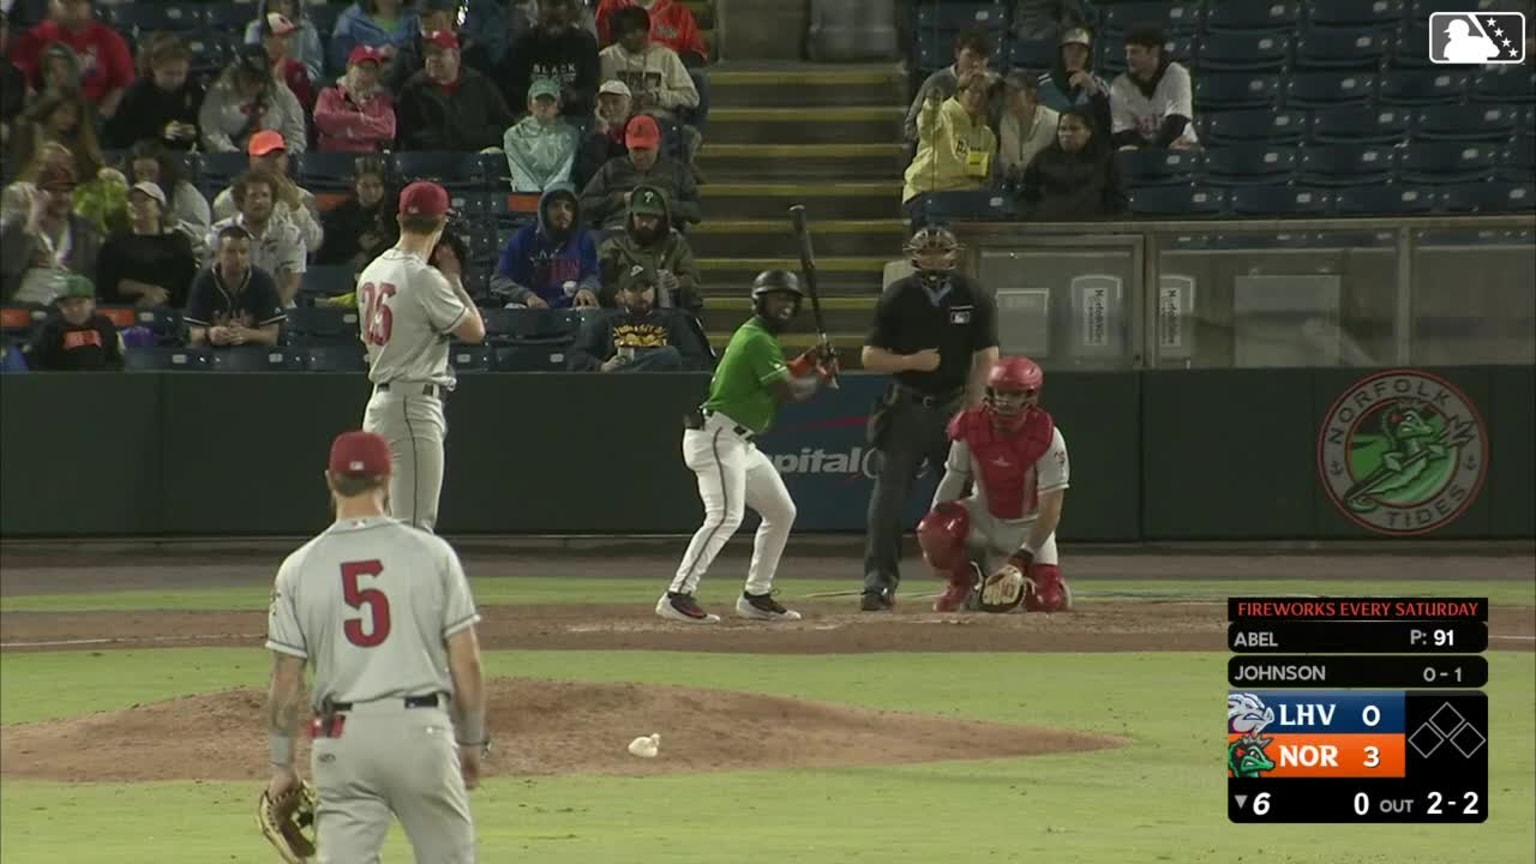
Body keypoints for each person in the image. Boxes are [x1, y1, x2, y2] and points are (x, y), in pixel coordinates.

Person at [262, 429, 485, 864]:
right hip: (420, 731)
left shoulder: (298, 568)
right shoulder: (432, 554)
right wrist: (472, 743)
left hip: (339, 738)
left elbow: (286, 679)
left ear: (330, 480)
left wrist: (282, 767)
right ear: (388, 478)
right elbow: (467, 661)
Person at [657, 269, 838, 624]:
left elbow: (780, 376)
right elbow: (788, 391)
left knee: (781, 512)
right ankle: (677, 594)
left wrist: (807, 362)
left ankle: (756, 596)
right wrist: (821, 375)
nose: (784, 305)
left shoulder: (761, 338)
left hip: (739, 443)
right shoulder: (756, 338)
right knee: (725, 515)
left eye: (789, 299)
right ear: (758, 302)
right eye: (776, 298)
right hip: (717, 437)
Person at [859, 226, 999, 612]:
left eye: (941, 252)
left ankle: (973, 580)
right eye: (928, 252)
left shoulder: (973, 295)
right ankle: (878, 584)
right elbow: (869, 356)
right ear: (914, 255)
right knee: (888, 501)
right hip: (905, 406)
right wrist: (911, 362)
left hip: (953, 406)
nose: (934, 259)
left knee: (966, 501)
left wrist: (973, 408)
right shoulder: (898, 296)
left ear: (954, 255)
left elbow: (988, 355)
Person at [357, 180, 487, 533]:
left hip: (379, 405)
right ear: (441, 222)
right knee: (413, 529)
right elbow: (475, 331)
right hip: (412, 405)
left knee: (381, 525)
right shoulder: (424, 278)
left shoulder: (372, 270)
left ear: (400, 218)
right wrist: (455, 282)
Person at [915, 356, 1072, 614]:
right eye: (1001, 392)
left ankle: (1048, 582)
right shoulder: (969, 427)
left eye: (1014, 394)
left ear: (1030, 396)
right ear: (991, 392)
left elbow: (1051, 509)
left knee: (1047, 602)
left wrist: (1023, 556)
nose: (1005, 400)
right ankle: (963, 584)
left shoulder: (1048, 437)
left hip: (1029, 525)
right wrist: (934, 540)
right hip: (984, 517)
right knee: (934, 529)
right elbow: (953, 478)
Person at [567, 264, 706, 372]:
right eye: (634, 289)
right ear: (621, 295)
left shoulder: (673, 320)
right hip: (617, 388)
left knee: (669, 355)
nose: (641, 295)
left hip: (662, 386)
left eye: (646, 288)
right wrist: (602, 366)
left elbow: (695, 359)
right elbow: (576, 358)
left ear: (654, 290)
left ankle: (623, 370)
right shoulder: (606, 321)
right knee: (668, 355)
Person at [902, 69, 999, 224]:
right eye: (973, 91)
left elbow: (981, 177)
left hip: (965, 200)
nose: (978, 98)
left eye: (983, 94)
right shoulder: (943, 115)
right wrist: (931, 106)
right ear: (960, 92)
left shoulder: (987, 136)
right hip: (926, 195)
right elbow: (927, 127)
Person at [8, 0, 133, 118]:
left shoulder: (110, 40)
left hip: (93, 116)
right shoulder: (39, 35)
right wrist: (35, 111)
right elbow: (20, 79)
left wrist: (101, 117)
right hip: (48, 115)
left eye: (77, 3)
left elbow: (121, 85)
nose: (71, 7)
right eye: (65, 3)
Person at [395, 30, 514, 152]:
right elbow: (406, 135)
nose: (433, 59)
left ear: (456, 57)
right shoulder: (413, 89)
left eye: (439, 53)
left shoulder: (480, 84)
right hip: (431, 159)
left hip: (476, 156)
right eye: (429, 54)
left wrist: (472, 138)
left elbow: (505, 127)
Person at [489, 181, 600, 308]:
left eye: (568, 207)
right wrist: (526, 296)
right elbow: (498, 280)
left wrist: (587, 288)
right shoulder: (524, 237)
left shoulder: (583, 239)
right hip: (531, 311)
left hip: (572, 310)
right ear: (544, 210)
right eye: (555, 206)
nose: (562, 212)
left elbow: (593, 275)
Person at [94, 181, 198, 308]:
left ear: (159, 209)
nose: (136, 204)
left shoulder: (177, 241)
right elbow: (106, 281)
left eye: (144, 200)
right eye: (132, 200)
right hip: (124, 309)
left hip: (170, 308)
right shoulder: (115, 241)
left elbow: (186, 280)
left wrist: (159, 297)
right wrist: (145, 289)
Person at [596, 182, 699, 310]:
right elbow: (600, 281)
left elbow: (693, 281)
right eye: (640, 216)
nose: (644, 224)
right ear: (630, 216)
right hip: (622, 316)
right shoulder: (614, 246)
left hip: (667, 315)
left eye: (651, 218)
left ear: (662, 219)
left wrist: (679, 282)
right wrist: (615, 294)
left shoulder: (676, 245)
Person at [185, 225, 287, 347]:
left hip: (254, 351)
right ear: (218, 254)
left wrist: (247, 334)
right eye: (230, 252)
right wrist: (210, 333)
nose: (238, 258)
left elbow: (272, 337)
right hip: (213, 350)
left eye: (243, 252)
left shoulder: (262, 280)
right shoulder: (204, 281)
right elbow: (194, 333)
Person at [1018, 108, 1127, 220]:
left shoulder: (1106, 159)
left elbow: (1117, 200)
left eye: (1074, 129)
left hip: (1092, 226)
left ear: (1089, 132)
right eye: (1062, 129)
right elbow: (1026, 196)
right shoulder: (1042, 159)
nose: (1067, 134)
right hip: (1047, 225)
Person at [199, 44, 308, 155]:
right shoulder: (219, 93)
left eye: (260, 79)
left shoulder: (282, 95)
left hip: (273, 159)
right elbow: (210, 131)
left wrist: (284, 155)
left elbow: (296, 133)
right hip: (231, 158)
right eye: (249, 78)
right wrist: (232, 154)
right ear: (239, 72)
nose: (254, 84)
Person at [103, 33, 204, 151]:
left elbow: (203, 125)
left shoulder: (193, 89)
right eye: (169, 73)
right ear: (154, 68)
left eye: (180, 73)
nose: (175, 79)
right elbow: (122, 133)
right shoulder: (138, 92)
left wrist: (193, 133)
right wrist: (160, 132)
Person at [500, 0, 600, 119]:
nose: (553, 13)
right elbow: (511, 91)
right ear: (539, 9)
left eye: (557, 5)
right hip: (532, 117)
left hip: (574, 117)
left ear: (570, 11)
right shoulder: (523, 44)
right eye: (549, 6)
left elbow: (592, 90)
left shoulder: (584, 42)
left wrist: (573, 97)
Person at [1109, 25, 1196, 151]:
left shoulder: (1177, 74)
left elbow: (1177, 121)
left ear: (1154, 51)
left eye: (1135, 52)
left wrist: (1153, 152)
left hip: (1178, 145)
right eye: (1126, 52)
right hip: (1142, 151)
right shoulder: (1119, 84)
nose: (1128, 58)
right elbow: (1123, 132)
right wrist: (1149, 153)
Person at [903, 28, 996, 146]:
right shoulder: (936, 83)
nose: (975, 63)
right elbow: (910, 127)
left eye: (981, 59)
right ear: (957, 54)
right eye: (970, 56)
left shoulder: (993, 86)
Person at [24, 272, 124, 370]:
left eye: (80, 302)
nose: (74, 309)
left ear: (92, 303)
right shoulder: (50, 327)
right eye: (66, 304)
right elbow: (35, 361)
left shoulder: (103, 324)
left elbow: (115, 359)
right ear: (59, 306)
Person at [316, 156, 398, 268]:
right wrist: (356, 247)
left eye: (376, 185)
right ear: (356, 186)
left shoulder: (394, 211)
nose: (372, 191)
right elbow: (328, 252)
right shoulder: (341, 214)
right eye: (365, 186)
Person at [314, 45, 397, 153]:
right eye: (360, 67)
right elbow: (323, 121)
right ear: (349, 67)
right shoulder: (329, 94)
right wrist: (360, 119)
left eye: (370, 69)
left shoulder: (382, 99)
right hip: (333, 157)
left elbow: (388, 129)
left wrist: (344, 128)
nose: (365, 74)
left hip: (368, 158)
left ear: (377, 74)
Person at [502, 77, 579, 193]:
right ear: (529, 105)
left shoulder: (570, 135)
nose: (543, 107)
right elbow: (520, 172)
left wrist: (549, 195)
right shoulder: (514, 135)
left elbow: (563, 171)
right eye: (539, 101)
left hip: (557, 194)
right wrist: (533, 194)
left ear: (558, 106)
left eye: (549, 102)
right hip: (525, 195)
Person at [1035, 28, 1112, 142]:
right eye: (1070, 49)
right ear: (1061, 53)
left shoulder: (1100, 86)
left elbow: (1107, 125)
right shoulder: (1043, 85)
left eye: (1081, 50)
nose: (1075, 55)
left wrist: (1092, 90)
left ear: (1088, 55)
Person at [997, 72, 1058, 187]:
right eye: (1006, 94)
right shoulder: (1005, 120)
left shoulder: (1053, 122)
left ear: (1031, 94)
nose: (1008, 98)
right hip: (1014, 186)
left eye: (1014, 93)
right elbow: (1004, 158)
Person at [243, 0, 327, 83]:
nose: (280, 8)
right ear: (267, 4)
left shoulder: (307, 30)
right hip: (263, 83)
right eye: (275, 2)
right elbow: (251, 64)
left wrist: (298, 78)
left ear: (294, 6)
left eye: (287, 3)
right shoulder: (255, 29)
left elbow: (313, 67)